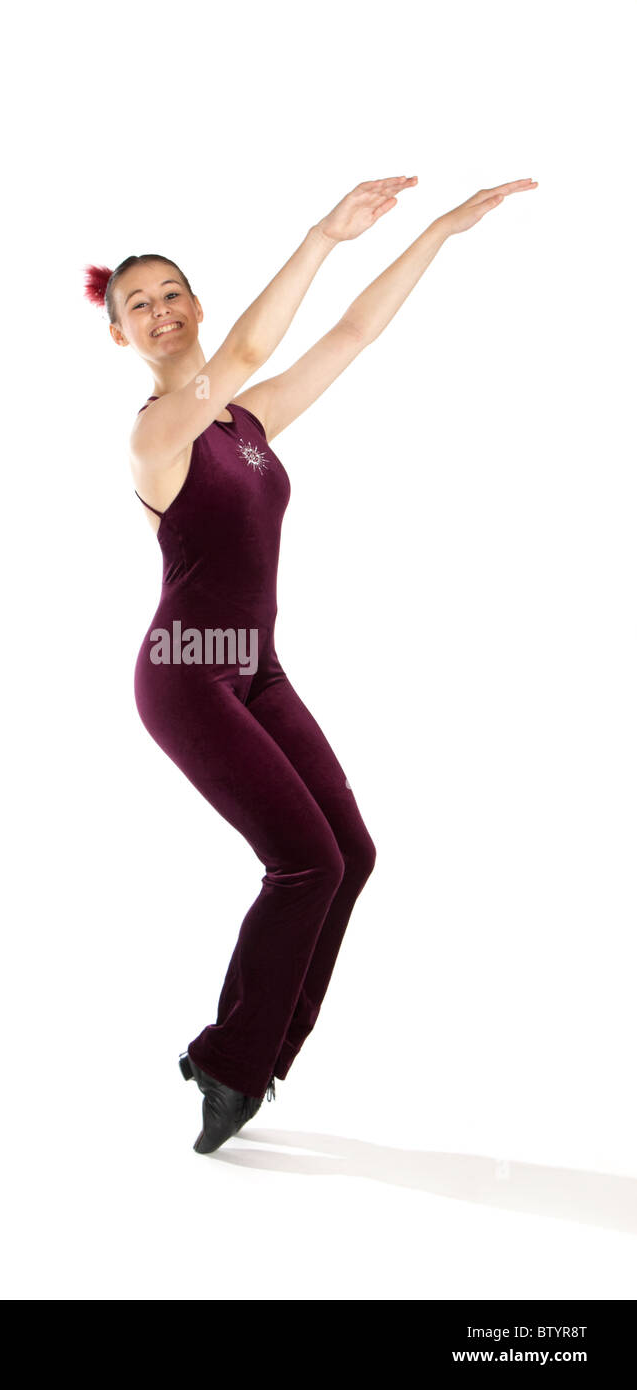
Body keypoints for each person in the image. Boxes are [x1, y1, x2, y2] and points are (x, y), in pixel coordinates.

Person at [83, 173, 537, 1155]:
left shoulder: (243, 427)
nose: (159, 313)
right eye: (136, 306)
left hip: (253, 668)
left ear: (192, 303)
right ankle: (232, 1061)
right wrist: (319, 234)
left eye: (169, 294)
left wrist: (436, 237)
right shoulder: (156, 434)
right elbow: (247, 347)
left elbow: (347, 338)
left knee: (349, 855)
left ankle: (252, 1052)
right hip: (184, 670)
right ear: (121, 335)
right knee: (305, 862)